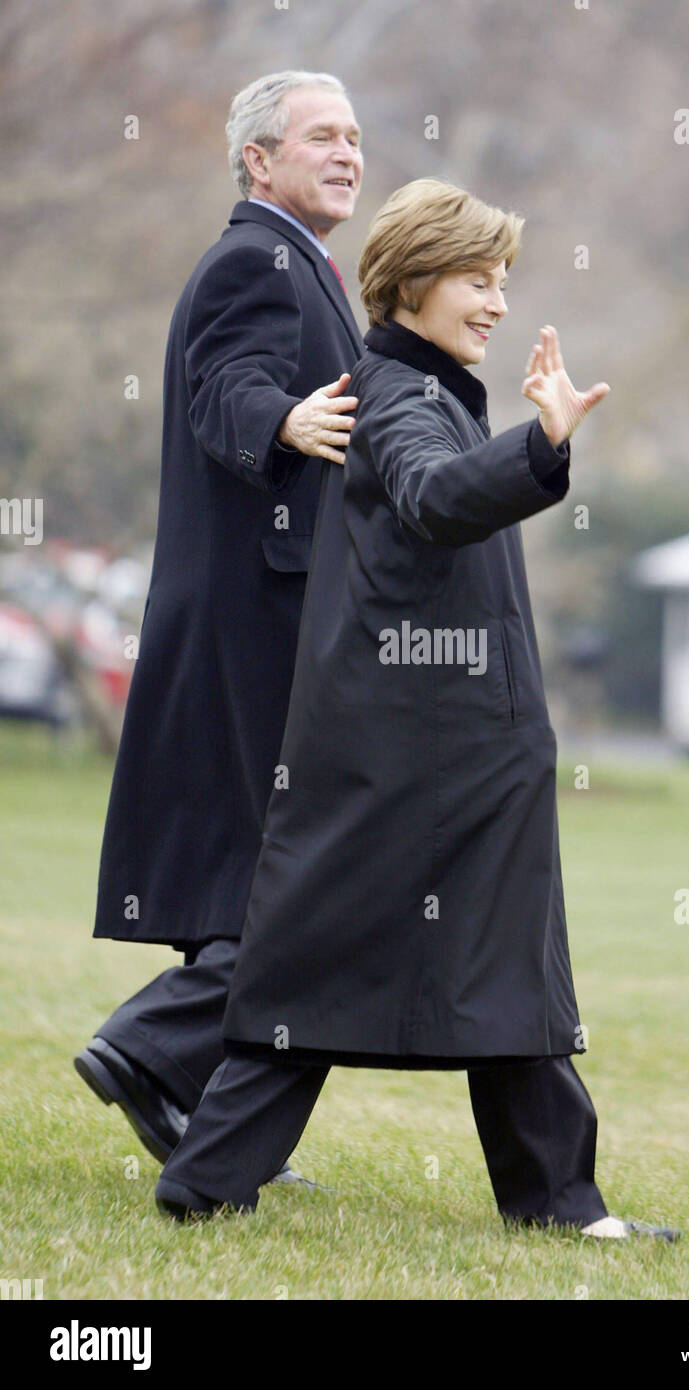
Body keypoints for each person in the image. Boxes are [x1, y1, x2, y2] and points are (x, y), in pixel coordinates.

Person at [155, 179, 679, 1242]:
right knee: (333, 967)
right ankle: (212, 1176)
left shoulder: (426, 392)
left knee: (494, 968)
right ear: (409, 284)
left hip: (444, 757)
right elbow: (437, 498)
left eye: (502, 282)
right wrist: (541, 448)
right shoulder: (394, 397)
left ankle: (551, 1202)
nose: (493, 302)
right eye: (475, 281)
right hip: (416, 763)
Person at [74, 70, 364, 1184]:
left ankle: (195, 1101)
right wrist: (282, 418)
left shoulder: (304, 262)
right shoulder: (256, 257)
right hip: (256, 614)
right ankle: (147, 1044)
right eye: (322, 137)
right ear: (259, 160)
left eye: (356, 137)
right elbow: (224, 391)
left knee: (252, 868)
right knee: (299, 879)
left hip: (252, 609)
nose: (348, 153)